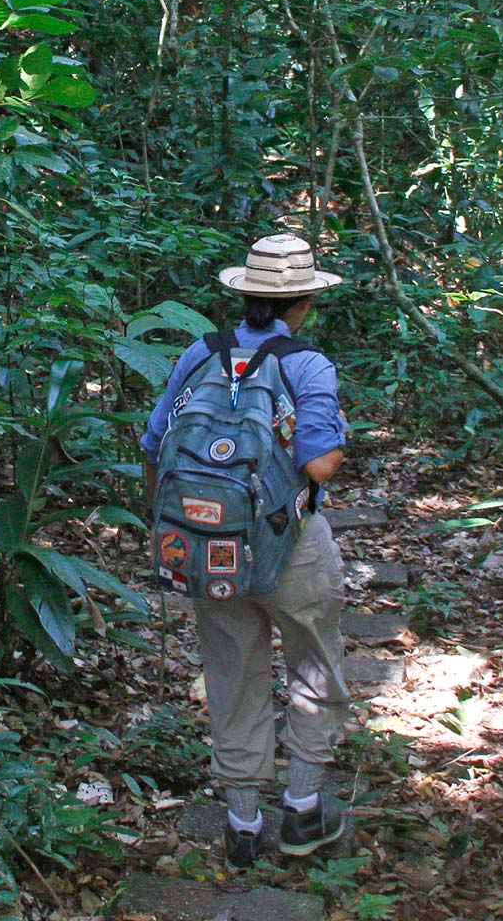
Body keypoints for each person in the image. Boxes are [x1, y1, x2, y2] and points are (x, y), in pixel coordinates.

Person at [140, 233, 350, 868]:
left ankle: (240, 820)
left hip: (210, 545)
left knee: (232, 674)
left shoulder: (200, 354)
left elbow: (156, 446)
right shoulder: (307, 365)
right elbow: (319, 465)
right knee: (314, 665)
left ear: (244, 294)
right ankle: (305, 810)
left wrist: (181, 528)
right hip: (290, 544)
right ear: (305, 300)